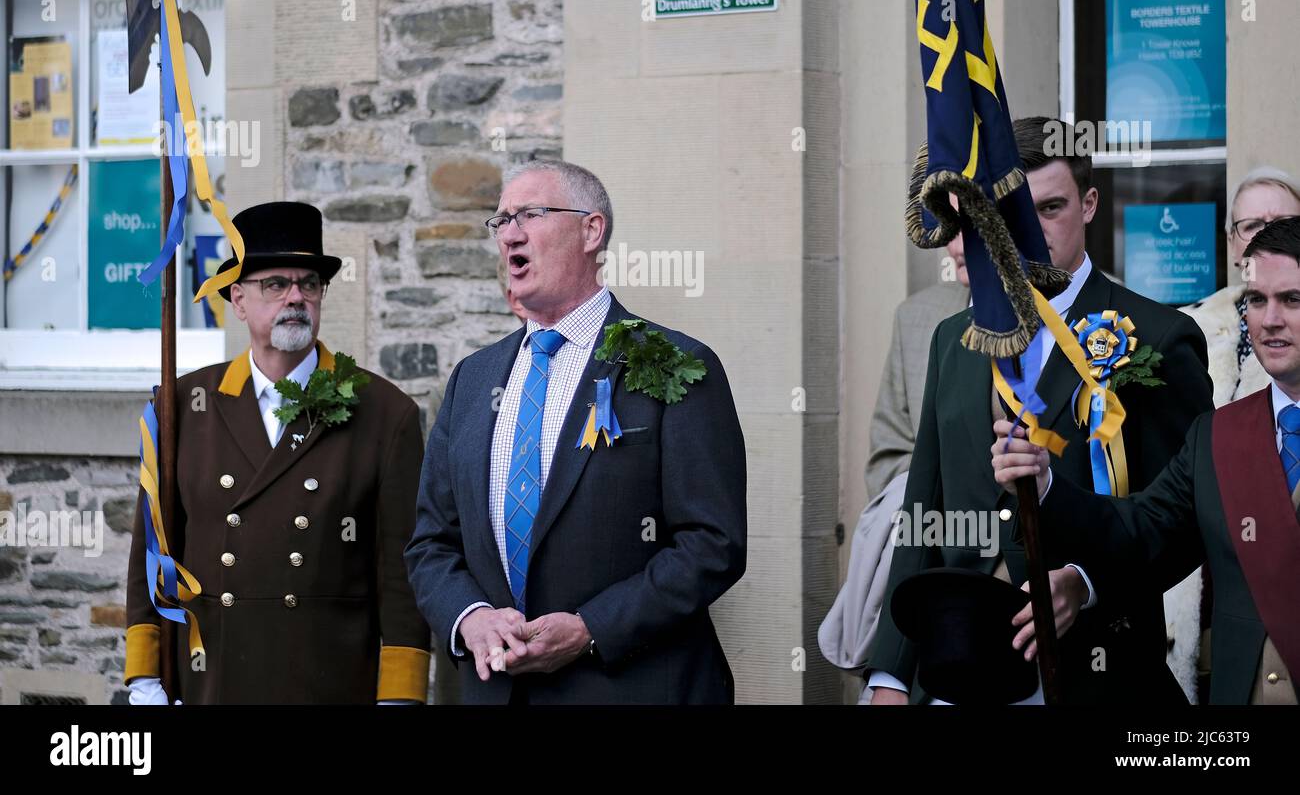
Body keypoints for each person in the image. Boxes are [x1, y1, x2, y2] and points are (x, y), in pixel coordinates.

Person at [866, 117, 1214, 705]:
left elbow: (1183, 521)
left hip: (1095, 674)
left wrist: (1087, 584)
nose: (1029, 233)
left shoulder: (1159, 336)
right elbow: (924, 507)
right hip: (959, 667)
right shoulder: (953, 339)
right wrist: (892, 674)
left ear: (1090, 204)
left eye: (1049, 209)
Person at [404, 160, 747, 704]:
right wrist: (471, 619)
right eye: (501, 221)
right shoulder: (473, 379)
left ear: (592, 231)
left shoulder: (678, 365)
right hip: (497, 690)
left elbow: (713, 544)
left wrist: (592, 627)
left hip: (631, 687)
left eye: (531, 214)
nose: (510, 233)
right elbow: (431, 543)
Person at [124, 202, 431, 704]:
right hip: (211, 682)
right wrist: (145, 677)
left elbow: (401, 575)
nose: (296, 297)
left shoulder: (383, 412)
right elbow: (152, 553)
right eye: (276, 284)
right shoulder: (181, 406)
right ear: (238, 301)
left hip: (327, 685)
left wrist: (399, 695)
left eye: (309, 283)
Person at [991, 215, 1300, 704]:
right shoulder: (1216, 434)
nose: (1270, 319)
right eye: (1257, 300)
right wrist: (1044, 484)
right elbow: (1143, 531)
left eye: (1293, 300)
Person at [818, 195, 969, 700]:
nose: (954, 245)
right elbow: (888, 458)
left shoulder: (1103, 317)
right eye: (948, 229)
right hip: (928, 586)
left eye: (968, 227)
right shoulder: (918, 318)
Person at [1165, 168, 1299, 700]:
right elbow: (1151, 516)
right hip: (1222, 626)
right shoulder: (1184, 339)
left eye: (1292, 299)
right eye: (1251, 226)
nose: (1270, 319)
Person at [1183, 166, 1300, 406]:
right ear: (1232, 244)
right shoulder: (1186, 330)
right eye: (1251, 225)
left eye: (1283, 224)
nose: (1266, 237)